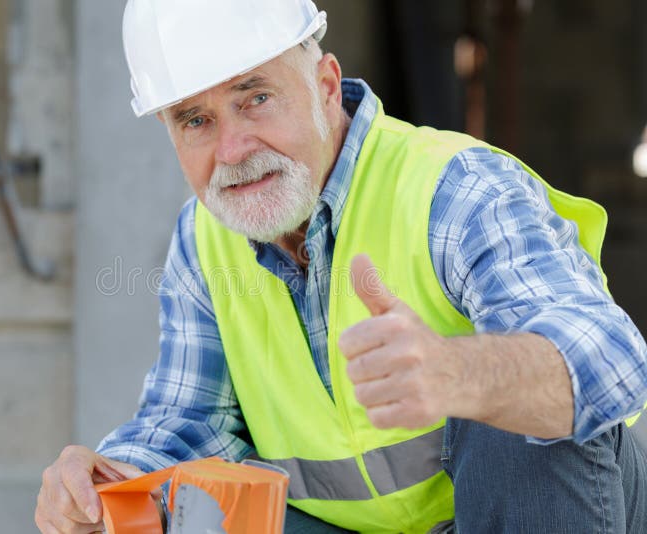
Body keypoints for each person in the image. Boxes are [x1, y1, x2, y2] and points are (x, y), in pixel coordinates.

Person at [35, 1, 647, 532]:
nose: (232, 150)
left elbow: (614, 363)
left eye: (256, 99)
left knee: (513, 406)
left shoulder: (453, 190)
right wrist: (103, 486)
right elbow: (186, 423)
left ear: (326, 87)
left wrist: (459, 371)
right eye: (196, 120)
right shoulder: (204, 238)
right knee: (174, 511)